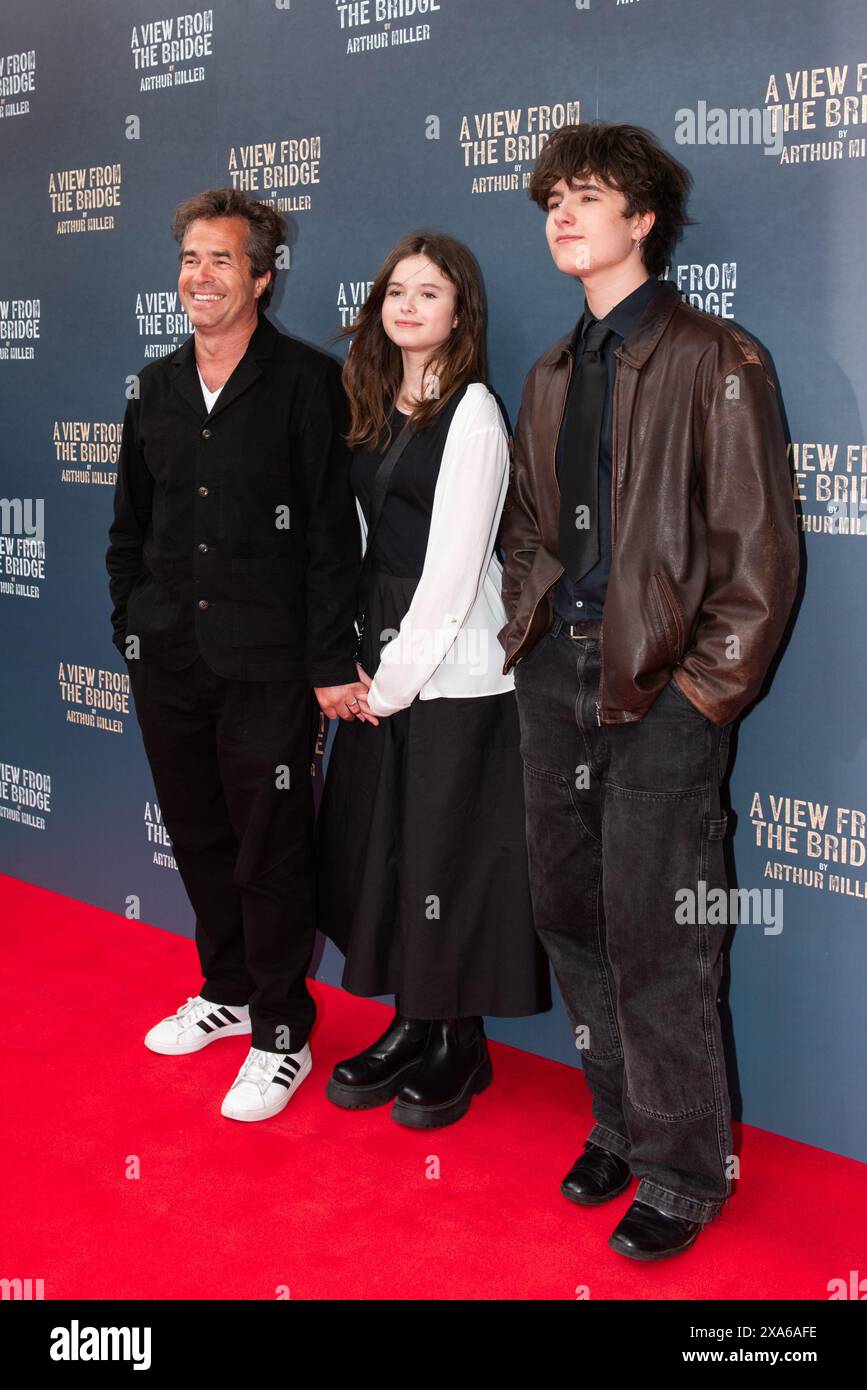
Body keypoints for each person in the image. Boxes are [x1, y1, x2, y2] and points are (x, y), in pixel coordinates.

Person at [499, 124, 799, 1258]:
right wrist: (530, 637)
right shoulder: (549, 370)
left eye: (590, 197)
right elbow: (530, 531)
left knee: (662, 934)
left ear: (644, 221)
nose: (564, 215)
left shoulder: (716, 358)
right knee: (572, 917)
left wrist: (697, 696)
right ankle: (619, 1124)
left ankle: (685, 1167)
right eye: (553, 200)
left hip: (663, 693)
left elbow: (760, 560)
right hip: (553, 680)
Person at [106, 187, 366, 1122]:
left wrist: (328, 659)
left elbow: (334, 540)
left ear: (262, 275)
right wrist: (129, 627)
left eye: (221, 259)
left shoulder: (304, 383)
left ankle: (280, 1033)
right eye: (189, 259)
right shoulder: (153, 388)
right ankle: (224, 991)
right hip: (168, 658)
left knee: (269, 846)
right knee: (198, 833)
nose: (200, 276)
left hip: (269, 665)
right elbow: (129, 526)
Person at [316, 231, 551, 1129]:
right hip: (380, 658)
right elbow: (359, 543)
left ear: (461, 313)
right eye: (396, 291)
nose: (408, 305)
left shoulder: (476, 412)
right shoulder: (376, 405)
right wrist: (347, 655)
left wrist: (394, 681)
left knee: (446, 853)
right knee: (393, 851)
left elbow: (454, 570)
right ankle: (412, 1020)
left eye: (430, 292)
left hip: (451, 673)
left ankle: (460, 1040)